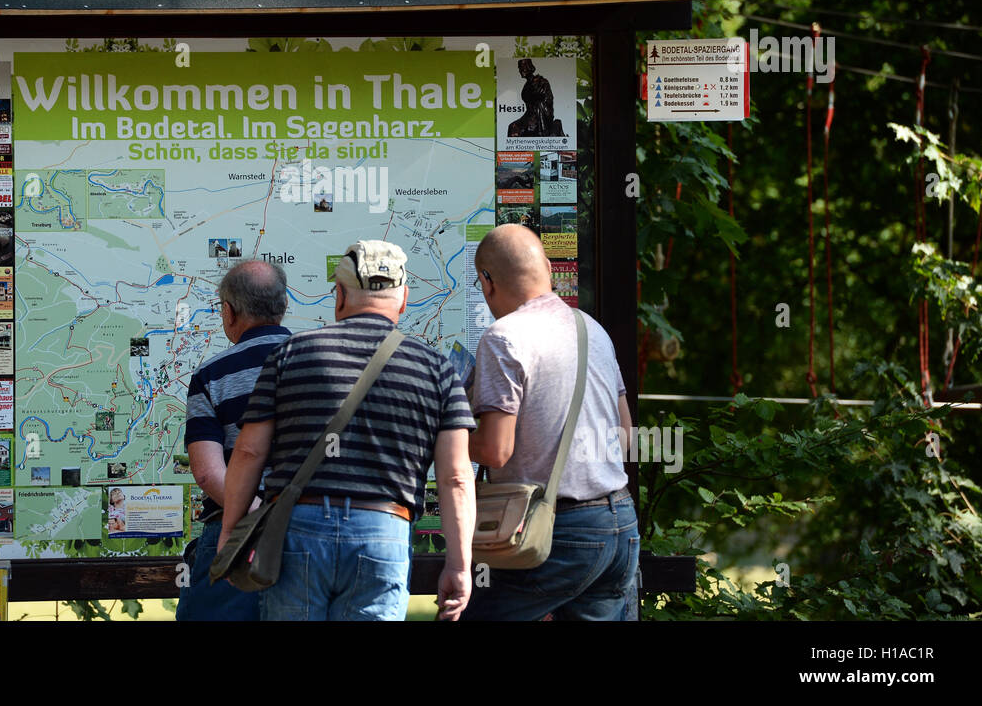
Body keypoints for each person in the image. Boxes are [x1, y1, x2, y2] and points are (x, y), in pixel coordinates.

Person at [218, 240, 476, 621]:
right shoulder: (436, 369)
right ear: (403, 299)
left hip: (298, 531)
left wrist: (230, 533)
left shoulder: (291, 354)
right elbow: (456, 476)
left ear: (338, 295)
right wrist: (458, 565)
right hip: (384, 529)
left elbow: (249, 452)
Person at [462, 223, 638, 621]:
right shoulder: (592, 330)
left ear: (487, 282)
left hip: (555, 530)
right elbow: (625, 435)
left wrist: (448, 435)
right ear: (548, 269)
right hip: (618, 520)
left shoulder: (503, 337)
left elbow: (494, 450)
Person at [176, 259, 291, 621]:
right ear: (283, 305)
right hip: (308, 532)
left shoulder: (211, 376)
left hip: (235, 534)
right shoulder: (318, 360)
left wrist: (258, 514)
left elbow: (209, 473)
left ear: (228, 312)